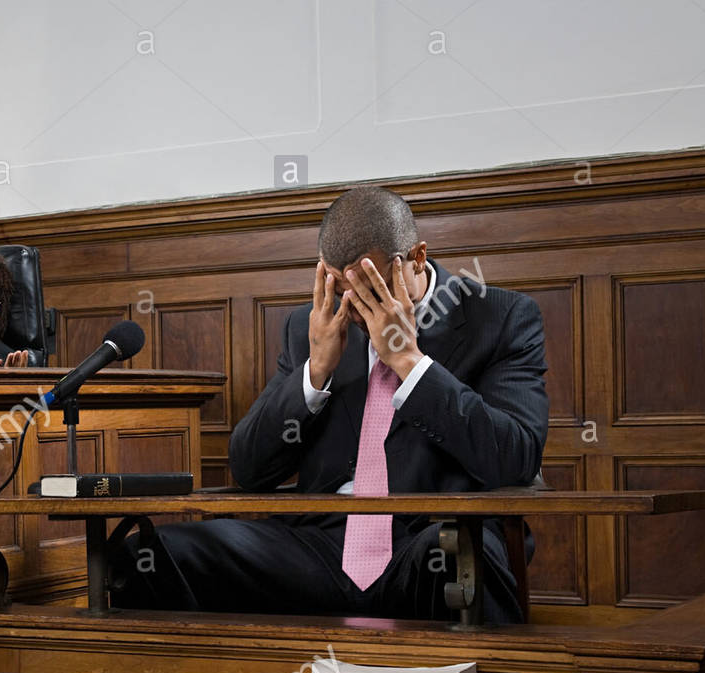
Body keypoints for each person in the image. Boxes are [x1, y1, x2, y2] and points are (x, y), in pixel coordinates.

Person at [110, 186, 549, 625]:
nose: (354, 307)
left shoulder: (501, 318)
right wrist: (314, 372)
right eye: (343, 289)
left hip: (427, 542)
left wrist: (411, 364)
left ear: (416, 258)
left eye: (370, 289)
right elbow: (248, 468)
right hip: (320, 546)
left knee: (458, 552)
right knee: (152, 554)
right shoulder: (313, 324)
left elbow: (516, 457)